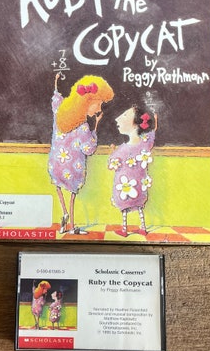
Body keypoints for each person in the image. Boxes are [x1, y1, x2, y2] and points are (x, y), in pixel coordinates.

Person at [48, 73, 114, 234]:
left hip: (55, 165)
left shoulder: (60, 112)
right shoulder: (82, 126)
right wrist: (96, 127)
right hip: (73, 169)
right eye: (98, 104)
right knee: (72, 194)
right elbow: (89, 149)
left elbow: (56, 99)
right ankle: (72, 226)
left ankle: (64, 214)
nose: (99, 109)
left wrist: (56, 82)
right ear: (87, 102)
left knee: (58, 186)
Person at [108, 106, 157, 237]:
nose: (117, 119)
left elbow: (113, 162)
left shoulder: (122, 149)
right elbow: (153, 133)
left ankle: (124, 230)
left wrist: (113, 151)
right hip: (140, 187)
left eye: (125, 115)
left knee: (125, 208)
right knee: (140, 207)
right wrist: (156, 119)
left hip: (125, 188)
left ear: (135, 124)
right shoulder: (145, 142)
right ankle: (143, 228)